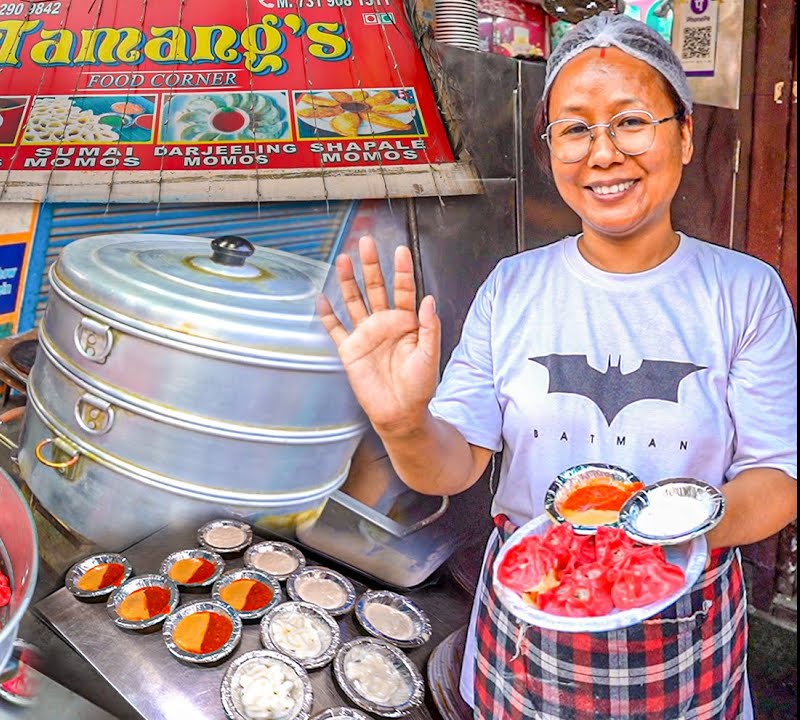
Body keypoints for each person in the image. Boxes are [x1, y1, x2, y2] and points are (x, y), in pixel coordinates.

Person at [320, 14, 795, 720]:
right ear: (550, 152)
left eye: (631, 121)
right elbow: (450, 468)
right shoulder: (513, 286)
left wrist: (654, 542)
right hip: (529, 622)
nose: (603, 153)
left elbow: (776, 480)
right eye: (574, 129)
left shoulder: (743, 291)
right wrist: (404, 425)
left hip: (681, 628)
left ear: (685, 134)